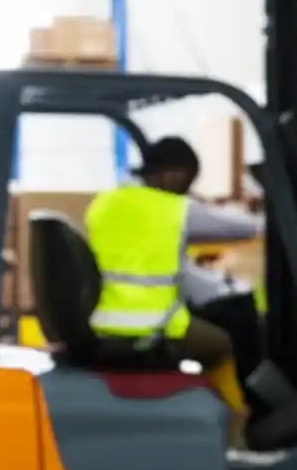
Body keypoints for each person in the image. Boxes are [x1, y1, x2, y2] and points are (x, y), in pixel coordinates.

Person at [85, 136, 262, 442]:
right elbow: (245, 227)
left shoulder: (104, 202)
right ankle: (239, 425)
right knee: (223, 343)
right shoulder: (172, 209)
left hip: (104, 321)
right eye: (188, 182)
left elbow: (146, 260)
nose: (187, 190)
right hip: (151, 326)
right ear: (173, 174)